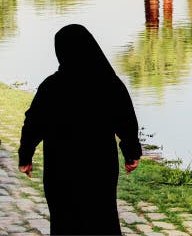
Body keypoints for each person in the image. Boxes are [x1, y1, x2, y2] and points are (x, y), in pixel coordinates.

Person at [17, 24, 142, 236]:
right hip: (99, 166)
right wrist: (131, 153)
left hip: (61, 167)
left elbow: (33, 123)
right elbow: (126, 119)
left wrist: (25, 157)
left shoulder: (51, 86)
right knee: (102, 218)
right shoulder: (109, 83)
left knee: (65, 221)